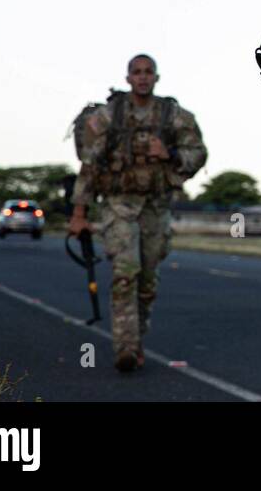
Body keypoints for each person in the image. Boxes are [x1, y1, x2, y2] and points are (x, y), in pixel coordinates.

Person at [68, 54, 208, 371]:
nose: (143, 77)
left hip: (156, 206)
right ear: (128, 78)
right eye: (137, 72)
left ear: (156, 78)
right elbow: (89, 166)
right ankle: (126, 349)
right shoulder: (109, 116)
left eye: (148, 72)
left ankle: (137, 338)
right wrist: (79, 212)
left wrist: (169, 152)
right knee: (124, 273)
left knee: (147, 280)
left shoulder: (173, 115)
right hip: (119, 205)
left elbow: (198, 153)